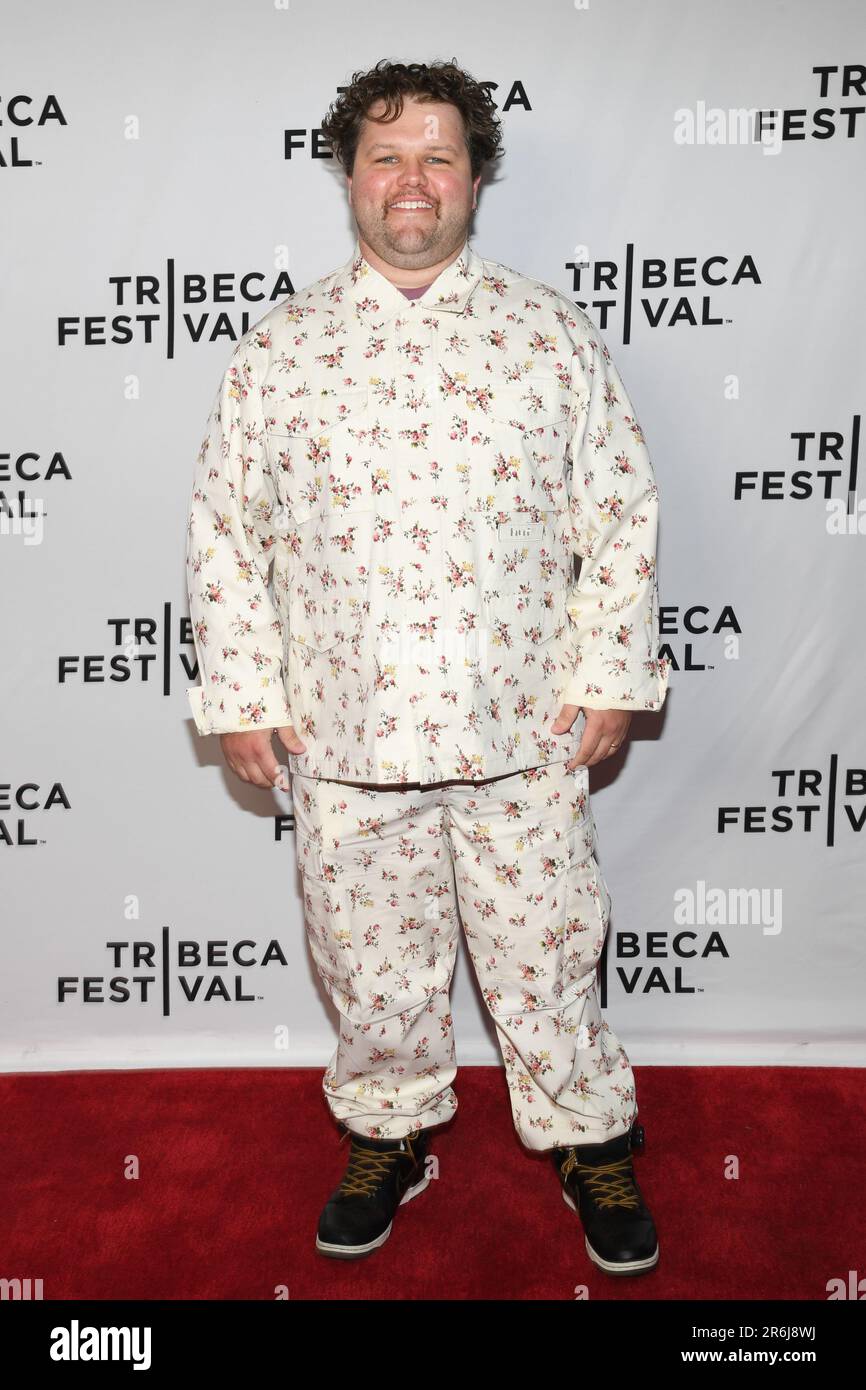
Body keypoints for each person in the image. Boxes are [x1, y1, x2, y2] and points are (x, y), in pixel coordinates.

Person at [185, 58, 670, 1277]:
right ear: (349, 173)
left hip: (523, 733)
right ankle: (389, 1131)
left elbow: (616, 514)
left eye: (438, 155)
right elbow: (225, 536)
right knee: (366, 959)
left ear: (475, 175)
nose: (413, 180)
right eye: (387, 155)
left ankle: (586, 1134)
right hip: (343, 742)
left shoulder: (547, 336)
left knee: (546, 947)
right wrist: (244, 697)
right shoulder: (280, 347)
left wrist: (611, 670)